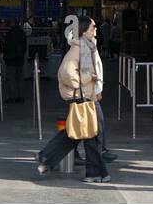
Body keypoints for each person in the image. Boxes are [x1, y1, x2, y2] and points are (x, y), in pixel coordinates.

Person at [35, 16, 109, 183]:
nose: (96, 30)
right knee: (87, 133)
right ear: (83, 31)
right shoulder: (79, 49)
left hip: (88, 96)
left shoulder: (87, 46)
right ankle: (95, 172)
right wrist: (86, 81)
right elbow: (66, 73)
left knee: (81, 133)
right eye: (93, 27)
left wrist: (94, 86)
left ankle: (47, 158)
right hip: (83, 98)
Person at [2, 19, 27, 104]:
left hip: (11, 59)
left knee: (11, 78)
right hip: (20, 59)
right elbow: (24, 46)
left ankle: (12, 96)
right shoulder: (22, 33)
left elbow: (6, 46)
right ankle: (20, 96)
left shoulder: (9, 34)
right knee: (20, 78)